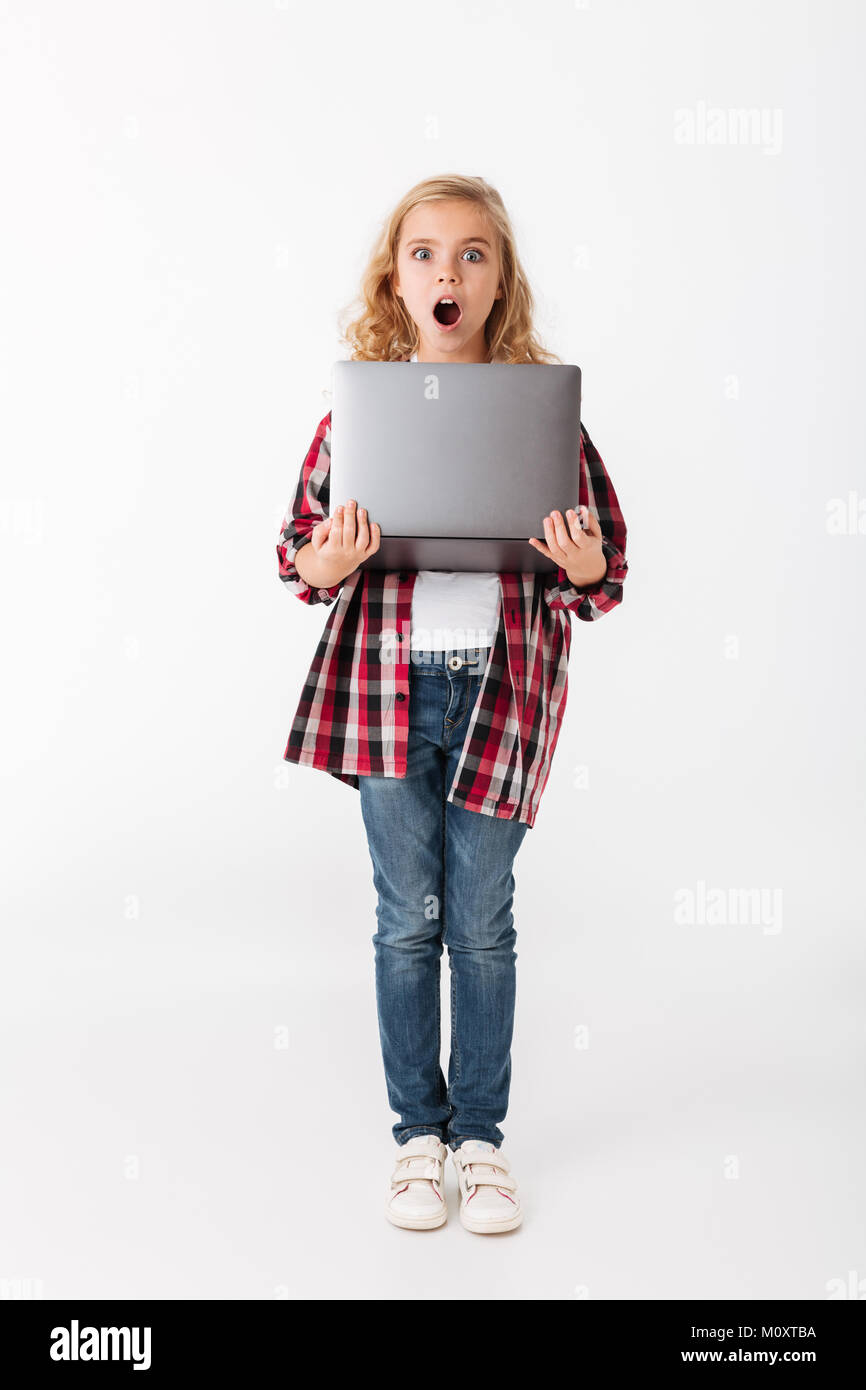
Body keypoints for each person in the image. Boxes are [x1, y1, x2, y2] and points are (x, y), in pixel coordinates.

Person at [275, 174, 629, 1234]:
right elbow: (295, 557)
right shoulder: (358, 411)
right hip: (383, 697)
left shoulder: (543, 413)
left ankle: (479, 1141)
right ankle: (413, 1140)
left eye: (472, 254)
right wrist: (326, 556)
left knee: (477, 924)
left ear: (497, 281)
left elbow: (604, 572)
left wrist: (579, 565)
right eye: (425, 252)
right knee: (403, 923)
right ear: (397, 276)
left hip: (504, 694)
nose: (447, 271)